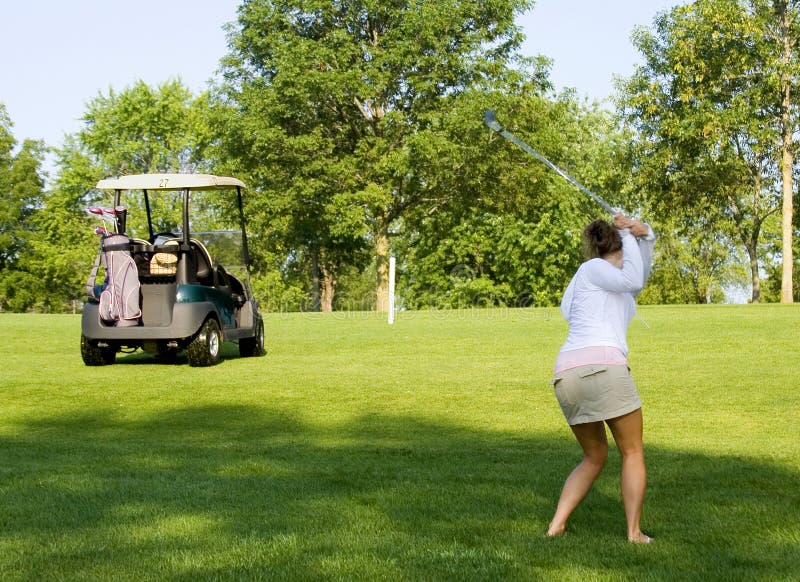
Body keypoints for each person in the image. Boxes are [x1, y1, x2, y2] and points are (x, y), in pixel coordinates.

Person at [547, 213, 656, 544]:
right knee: (633, 451)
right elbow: (635, 279)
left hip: (567, 374)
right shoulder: (594, 269)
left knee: (595, 456)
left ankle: (556, 527)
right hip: (604, 368)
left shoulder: (599, 281)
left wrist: (645, 236)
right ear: (620, 248)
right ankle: (633, 532)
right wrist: (628, 232)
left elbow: (639, 276)